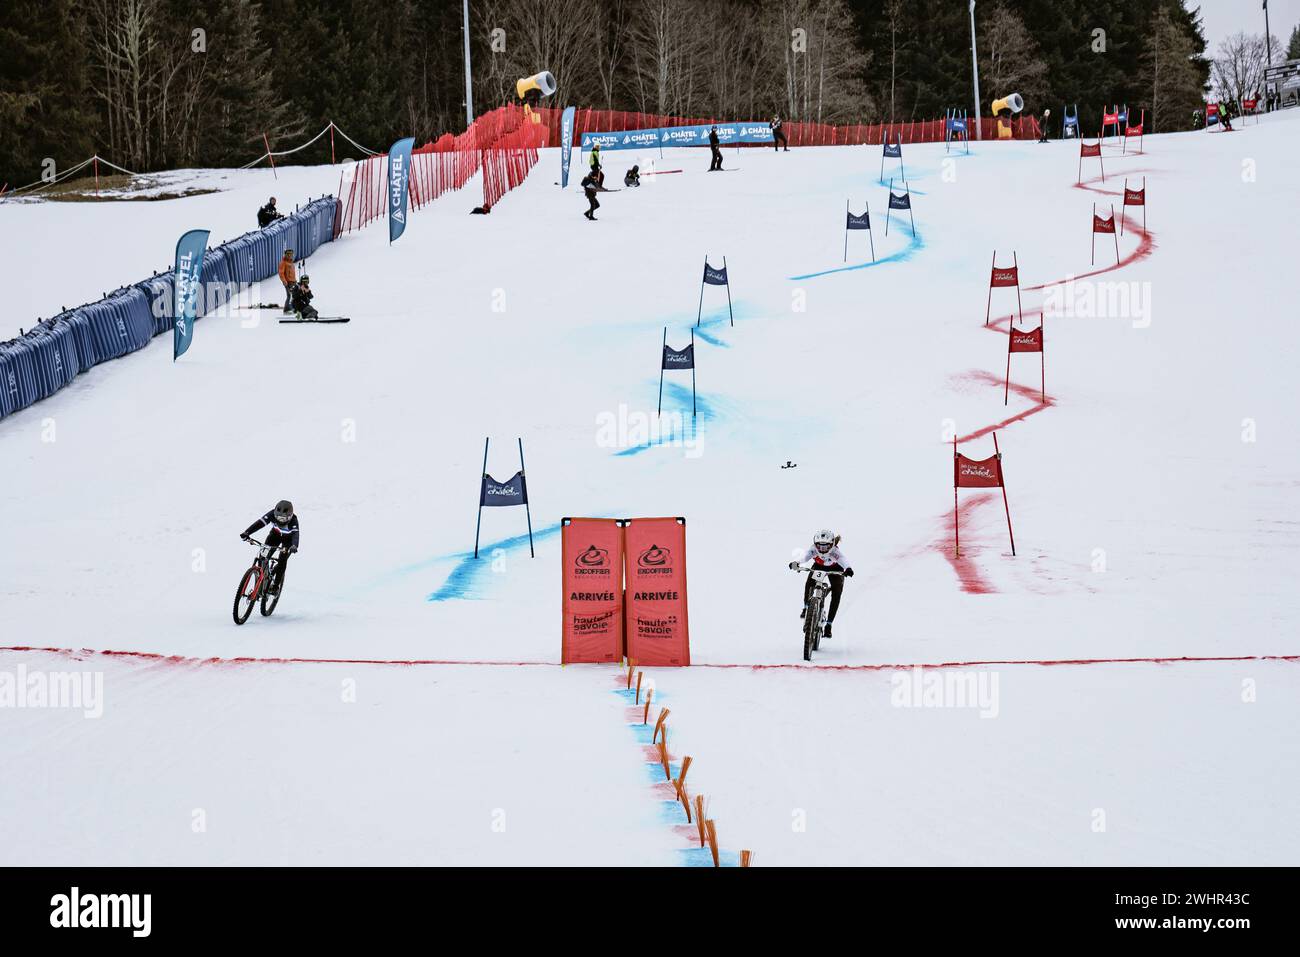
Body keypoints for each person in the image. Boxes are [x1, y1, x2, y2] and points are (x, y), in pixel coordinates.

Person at [788, 529, 854, 638]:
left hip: (835, 568)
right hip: (819, 566)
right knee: (809, 583)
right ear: (815, 544)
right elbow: (805, 556)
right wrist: (796, 562)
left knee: (837, 592)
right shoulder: (813, 549)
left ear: (832, 544)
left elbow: (843, 560)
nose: (822, 549)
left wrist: (848, 568)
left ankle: (829, 624)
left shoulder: (835, 552)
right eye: (820, 546)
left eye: (826, 546)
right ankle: (806, 607)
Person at [241, 500, 299, 595]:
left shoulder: (294, 521)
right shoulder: (272, 514)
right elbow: (259, 523)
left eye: (283, 519)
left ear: (289, 516)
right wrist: (247, 532)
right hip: (274, 536)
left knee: (282, 561)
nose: (280, 520)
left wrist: (294, 546)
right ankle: (260, 579)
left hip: (288, 540)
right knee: (263, 556)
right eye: (278, 517)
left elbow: (296, 535)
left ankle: (275, 586)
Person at [277, 249, 297, 313]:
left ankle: (291, 308)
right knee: (289, 295)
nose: (289, 255)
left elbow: (292, 273)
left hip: (292, 281)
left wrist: (295, 280)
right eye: (288, 254)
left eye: (291, 254)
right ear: (285, 254)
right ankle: (287, 309)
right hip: (288, 282)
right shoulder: (283, 263)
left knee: (293, 295)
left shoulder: (291, 262)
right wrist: (284, 281)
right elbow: (281, 273)